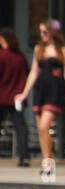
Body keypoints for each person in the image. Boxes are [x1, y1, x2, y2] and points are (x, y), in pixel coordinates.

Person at [14, 19, 65, 183]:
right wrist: (24, 93)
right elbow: (33, 72)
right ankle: (46, 159)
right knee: (41, 128)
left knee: (44, 125)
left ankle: (48, 161)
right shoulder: (38, 49)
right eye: (40, 32)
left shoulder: (62, 50)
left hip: (55, 88)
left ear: (52, 33)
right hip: (40, 88)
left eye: (44, 32)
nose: (42, 35)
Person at [0, 30, 30, 167]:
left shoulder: (2, 56)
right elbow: (27, 74)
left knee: (18, 126)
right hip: (17, 97)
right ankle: (24, 156)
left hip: (3, 96)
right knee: (20, 127)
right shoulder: (20, 57)